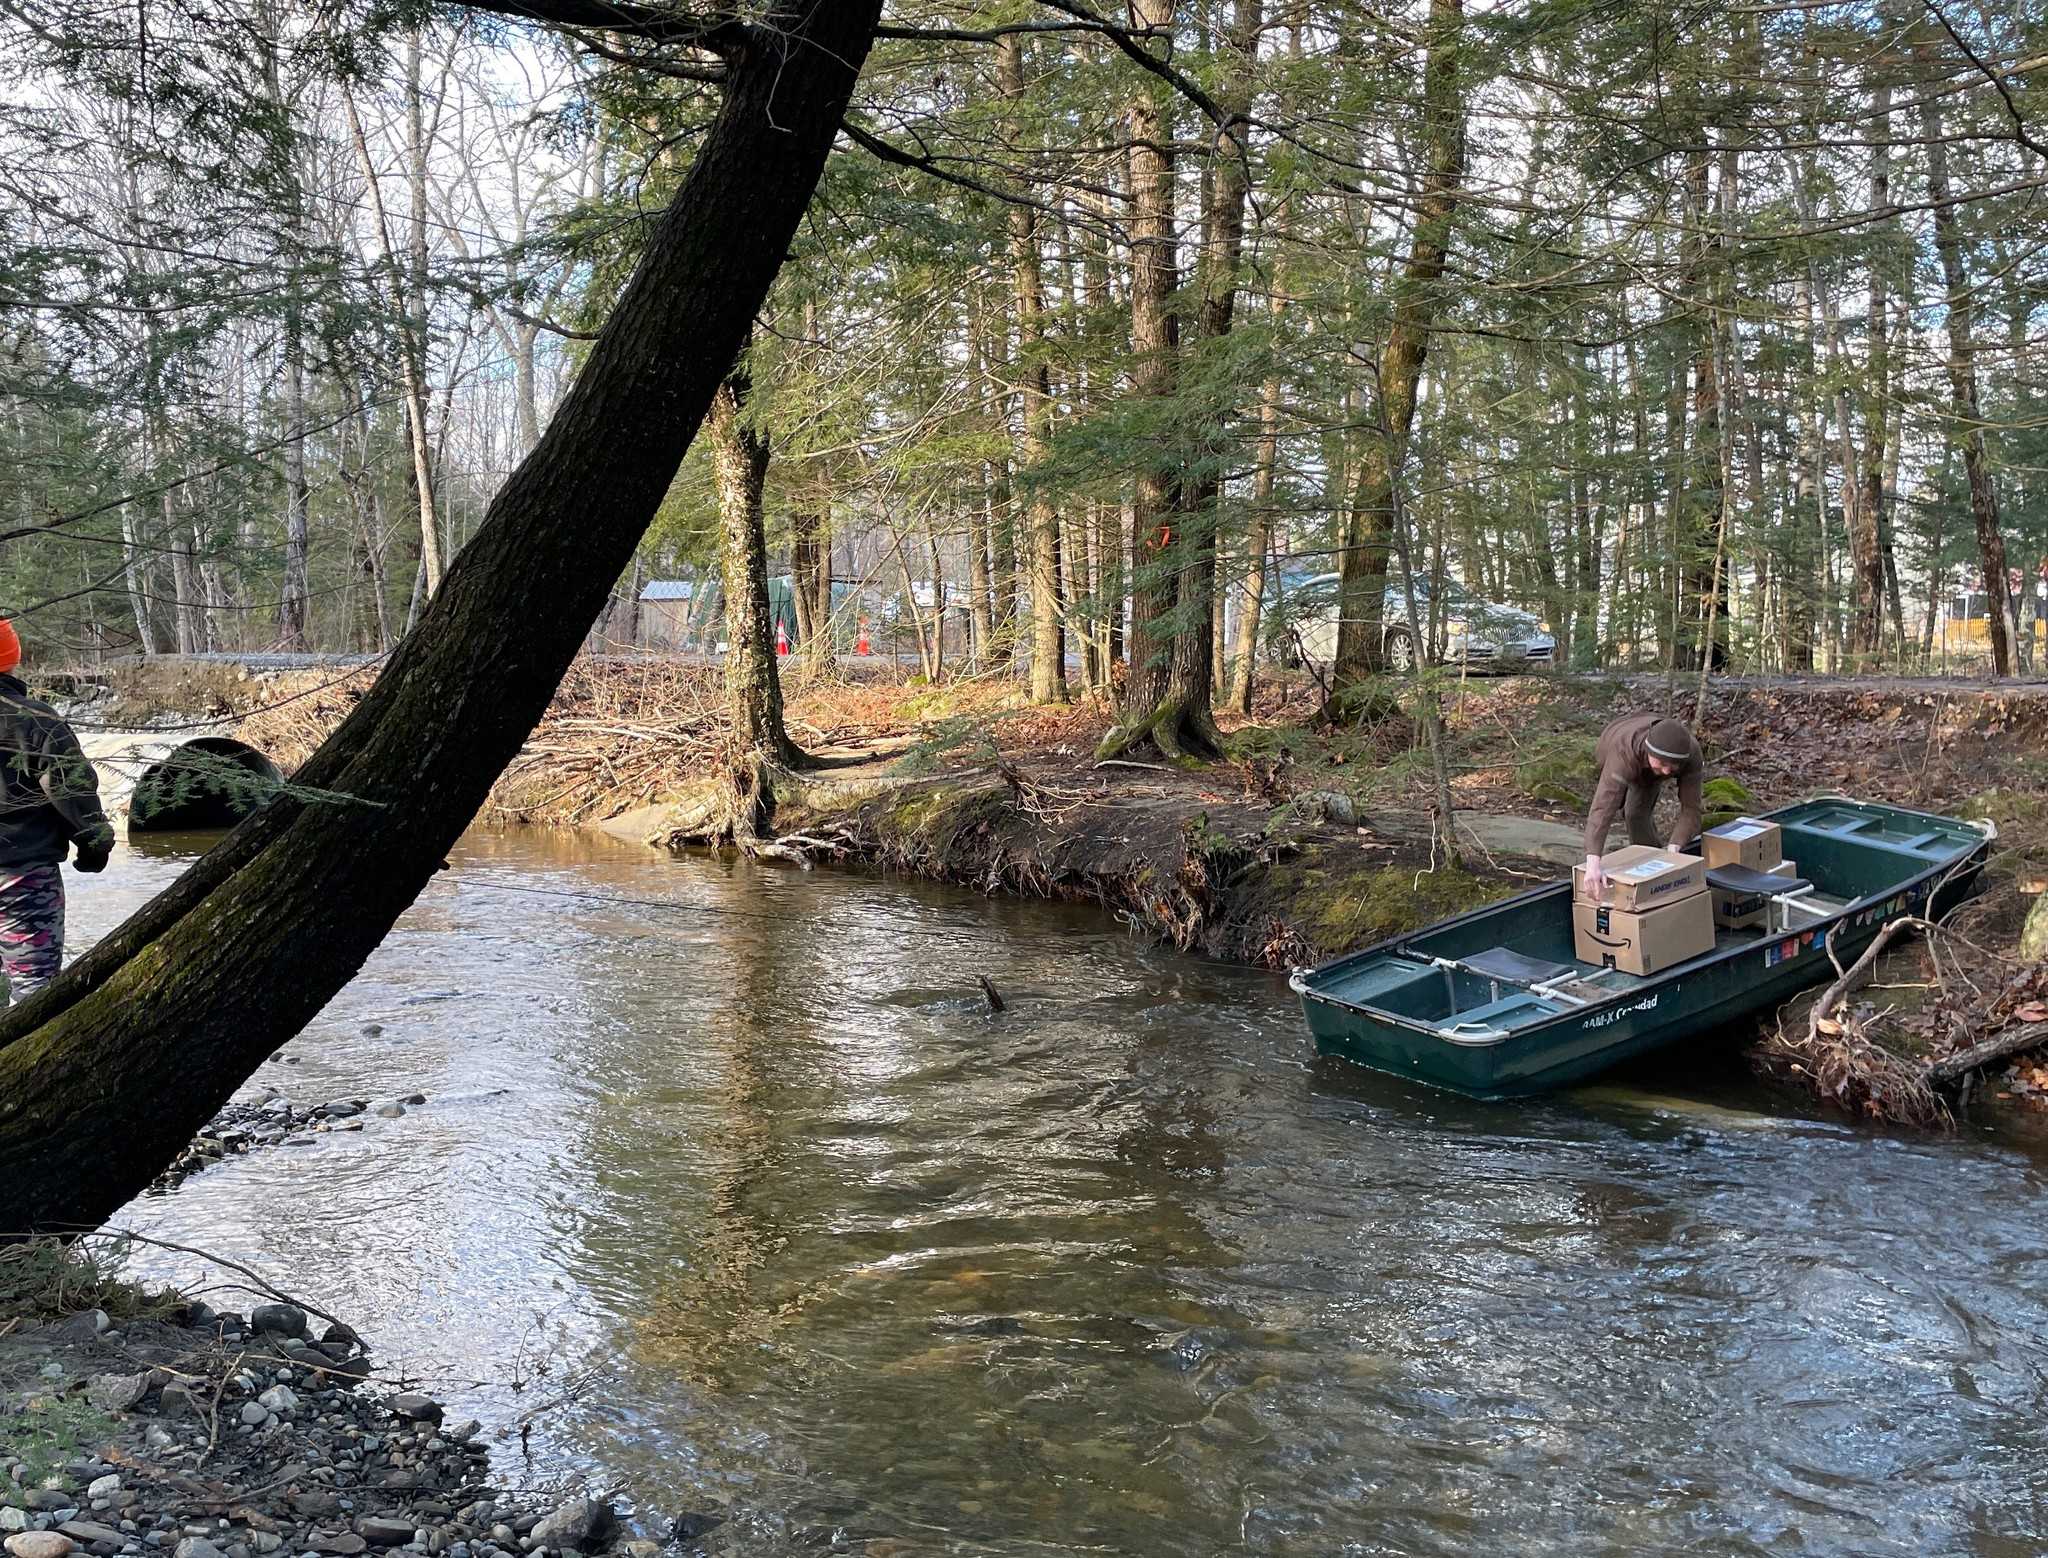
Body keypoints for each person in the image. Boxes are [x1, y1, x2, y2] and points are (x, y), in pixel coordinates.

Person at [0, 618, 114, 1004]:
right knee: (34, 990)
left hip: (21, 872)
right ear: (13, 658)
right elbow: (71, 789)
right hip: (22, 878)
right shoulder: (36, 720)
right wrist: (95, 844)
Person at [1582, 714, 1704, 899]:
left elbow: (1692, 809)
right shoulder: (1624, 750)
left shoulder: (1690, 753)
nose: (1667, 771)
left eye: (1673, 766)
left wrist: (1674, 850)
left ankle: (1650, 875)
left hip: (1648, 770)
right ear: (1649, 751)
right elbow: (1602, 809)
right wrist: (1592, 864)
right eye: (1663, 763)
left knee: (1635, 814)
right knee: (1613, 802)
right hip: (1613, 747)